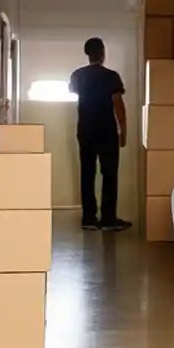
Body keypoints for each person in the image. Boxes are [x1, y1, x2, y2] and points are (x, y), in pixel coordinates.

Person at [69, 37, 132, 232]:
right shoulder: (111, 76)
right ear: (103, 52)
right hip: (107, 132)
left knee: (87, 174)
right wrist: (123, 131)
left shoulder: (77, 75)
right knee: (109, 174)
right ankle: (108, 219)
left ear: (87, 54)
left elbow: (74, 92)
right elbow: (118, 106)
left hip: (86, 131)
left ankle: (88, 218)